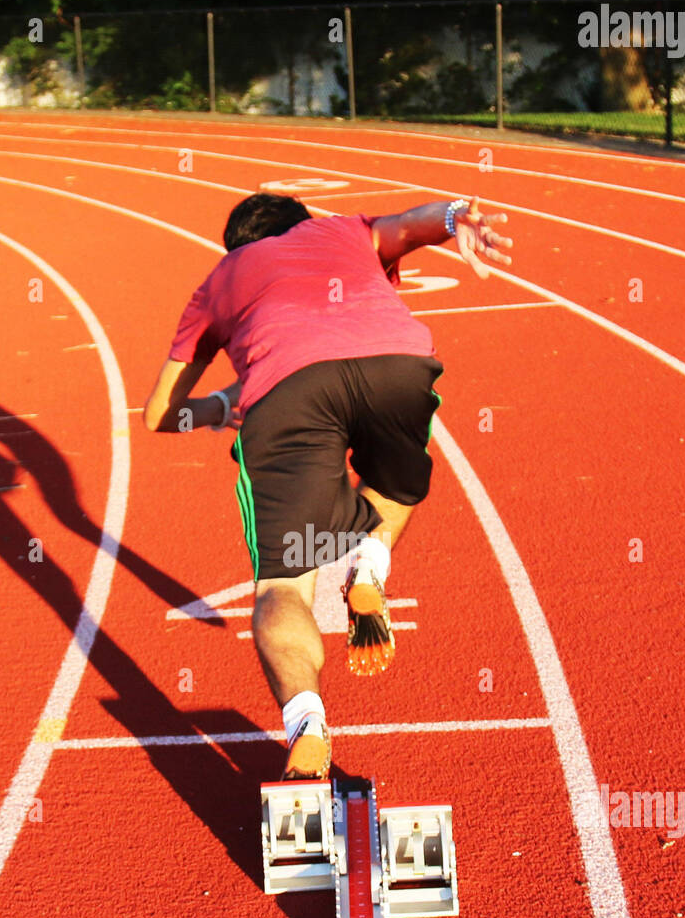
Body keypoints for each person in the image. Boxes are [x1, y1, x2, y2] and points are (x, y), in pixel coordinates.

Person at [145, 193, 513, 780]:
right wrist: (453, 218)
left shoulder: (220, 279)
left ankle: (307, 722)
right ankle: (368, 563)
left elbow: (159, 414)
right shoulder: (343, 231)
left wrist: (220, 406)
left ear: (237, 248)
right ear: (304, 225)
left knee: (284, 586)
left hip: (287, 394)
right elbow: (410, 226)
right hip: (399, 365)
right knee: (395, 485)